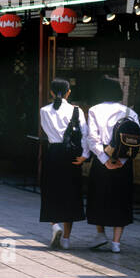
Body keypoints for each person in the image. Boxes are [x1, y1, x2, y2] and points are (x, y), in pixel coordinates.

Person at [84, 76, 139, 253]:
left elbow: (92, 139)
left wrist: (105, 160)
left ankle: (100, 234)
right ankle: (116, 242)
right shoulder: (130, 113)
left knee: (98, 197)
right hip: (124, 163)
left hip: (102, 163)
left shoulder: (94, 110)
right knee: (121, 200)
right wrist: (122, 160)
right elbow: (137, 139)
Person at [40, 78, 86, 249]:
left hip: (53, 152)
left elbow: (45, 130)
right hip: (71, 154)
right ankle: (66, 239)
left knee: (51, 191)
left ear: (51, 92)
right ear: (69, 92)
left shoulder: (44, 111)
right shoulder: (76, 110)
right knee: (70, 193)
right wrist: (85, 155)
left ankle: (55, 226)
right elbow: (85, 133)